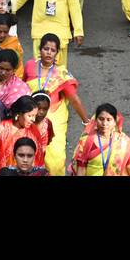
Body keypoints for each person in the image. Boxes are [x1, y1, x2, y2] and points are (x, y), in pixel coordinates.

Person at [24, 34, 87, 176]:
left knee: (55, 159)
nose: (49, 52)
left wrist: (86, 121)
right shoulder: (29, 66)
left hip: (54, 117)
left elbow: (74, 100)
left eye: (53, 50)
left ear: (57, 53)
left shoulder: (61, 73)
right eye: (46, 49)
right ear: (39, 50)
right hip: (31, 116)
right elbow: (22, 88)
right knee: (28, 153)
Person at [71, 103, 130, 176]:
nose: (104, 123)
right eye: (101, 119)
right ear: (96, 120)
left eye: (109, 120)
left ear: (115, 122)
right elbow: (81, 169)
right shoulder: (86, 142)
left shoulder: (122, 142)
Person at [0, 96, 46, 173]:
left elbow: (39, 158)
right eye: (30, 116)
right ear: (19, 114)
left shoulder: (34, 130)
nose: (33, 120)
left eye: (34, 116)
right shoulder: (0, 130)